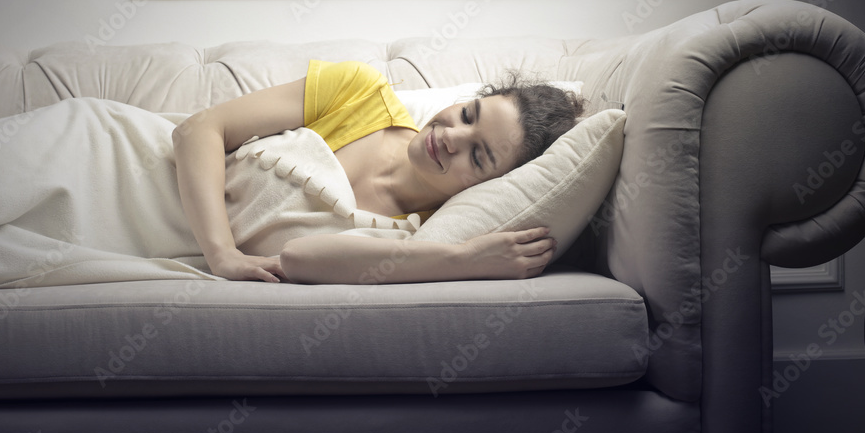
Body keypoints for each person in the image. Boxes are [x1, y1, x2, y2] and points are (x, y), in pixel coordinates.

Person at [172, 59, 585, 285]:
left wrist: (464, 258)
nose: (451, 136)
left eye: (477, 157)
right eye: (467, 114)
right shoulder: (359, 92)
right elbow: (197, 129)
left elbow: (301, 258)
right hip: (126, 160)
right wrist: (222, 254)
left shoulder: (423, 232)